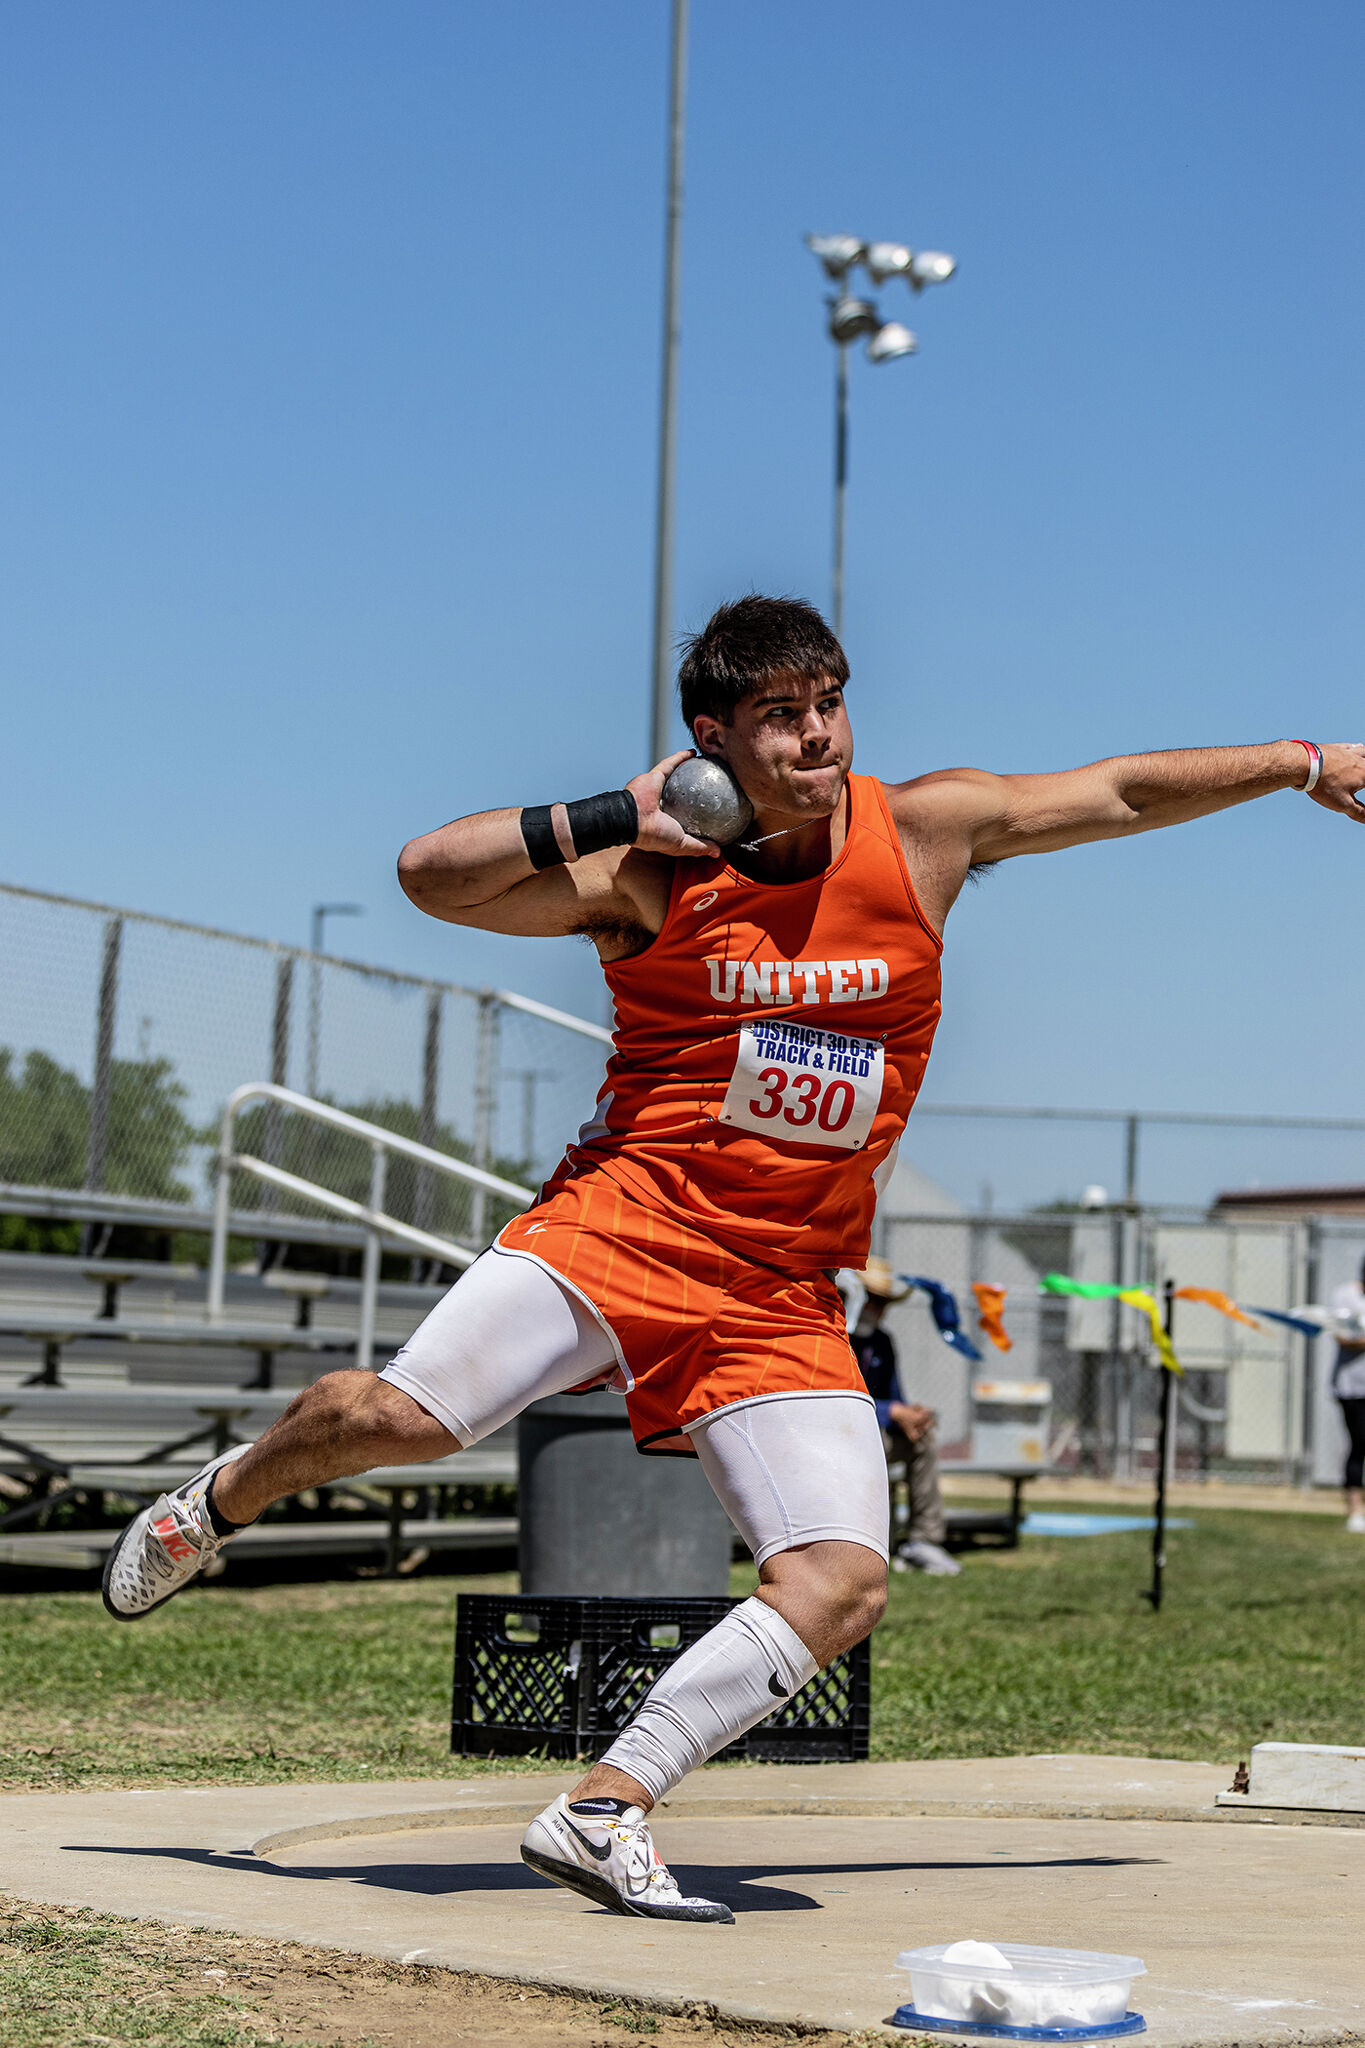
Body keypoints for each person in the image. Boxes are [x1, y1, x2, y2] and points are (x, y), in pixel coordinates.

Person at [101, 595, 1365, 1924]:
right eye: (782, 716)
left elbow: (1113, 791)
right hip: (628, 1221)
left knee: (842, 1583)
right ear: (715, 741)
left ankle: (604, 1807)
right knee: (399, 1421)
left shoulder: (923, 831)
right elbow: (430, 873)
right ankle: (224, 1499)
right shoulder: (651, 873)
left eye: (830, 703)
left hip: (781, 1283)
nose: (819, 736)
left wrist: (1301, 763)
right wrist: (607, 812)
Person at [843, 1258, 960, 1576]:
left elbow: (896, 1398)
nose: (877, 1310)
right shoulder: (834, 1336)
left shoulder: (883, 1342)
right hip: (841, 1438)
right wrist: (891, 1411)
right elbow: (836, 1399)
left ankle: (925, 1541)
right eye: (871, 1299)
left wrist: (911, 1416)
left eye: (883, 1302)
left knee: (922, 1439)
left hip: (877, 1436)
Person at [1328, 1259, 1365, 1532]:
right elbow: (1342, 1337)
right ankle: (1355, 1508)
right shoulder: (1345, 1296)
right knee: (1359, 1443)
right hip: (1352, 1386)